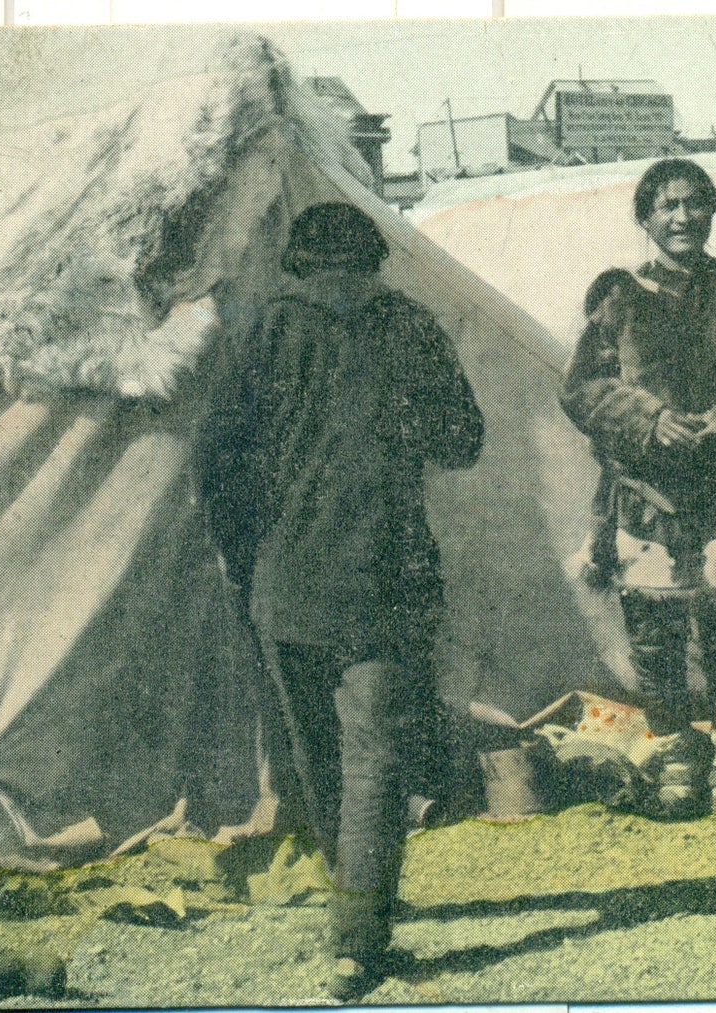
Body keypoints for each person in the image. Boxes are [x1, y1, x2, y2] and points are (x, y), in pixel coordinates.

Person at [200, 202, 484, 998]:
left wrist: (242, 553)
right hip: (384, 576)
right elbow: (463, 440)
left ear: (296, 262)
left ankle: (354, 908)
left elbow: (216, 459)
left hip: (285, 584)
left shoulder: (266, 334)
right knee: (375, 758)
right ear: (373, 257)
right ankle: (359, 934)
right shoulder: (411, 327)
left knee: (320, 752)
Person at [561, 158, 716, 832]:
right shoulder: (620, 295)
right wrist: (647, 417)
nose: (681, 217)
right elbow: (582, 386)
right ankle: (675, 760)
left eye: (694, 203)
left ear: (711, 212)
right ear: (644, 218)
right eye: (666, 205)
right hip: (647, 499)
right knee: (655, 635)